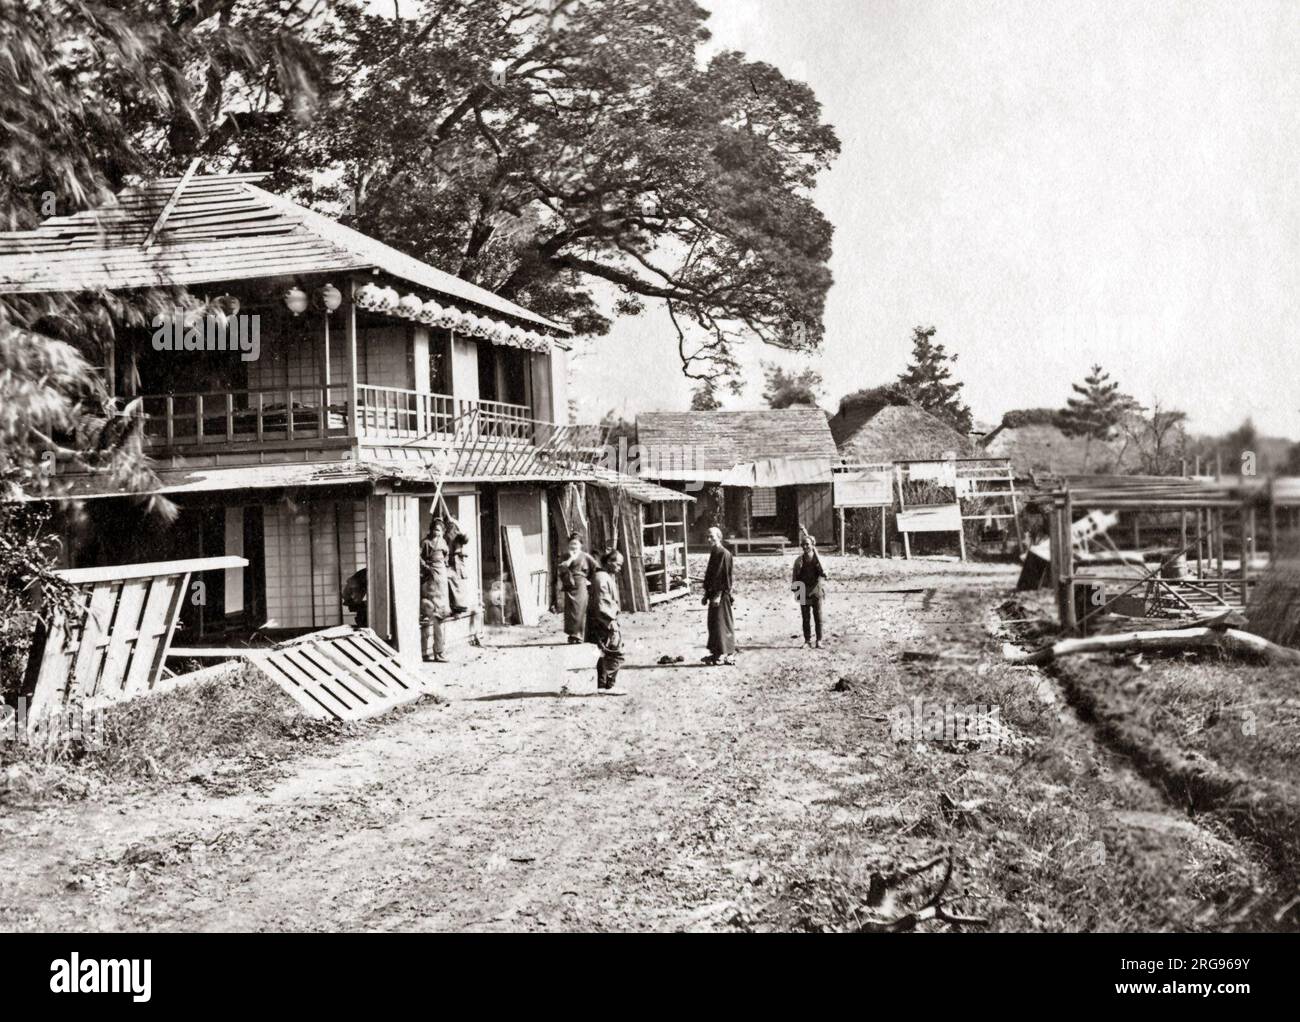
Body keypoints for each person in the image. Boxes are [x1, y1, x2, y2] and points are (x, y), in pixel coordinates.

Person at [590, 549, 625, 690]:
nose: (619, 568)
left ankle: (603, 685)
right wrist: (610, 621)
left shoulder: (604, 576)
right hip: (605, 620)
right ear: (609, 562)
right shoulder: (601, 578)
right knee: (614, 652)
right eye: (618, 564)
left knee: (606, 652)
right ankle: (608, 686)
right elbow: (602, 603)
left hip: (606, 619)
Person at [702, 526, 736, 665]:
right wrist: (706, 594)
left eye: (712, 536)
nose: (709, 539)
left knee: (722, 623)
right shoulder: (714, 552)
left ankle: (725, 653)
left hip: (721, 594)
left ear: (719, 537)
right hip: (713, 594)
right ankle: (716, 652)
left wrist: (719, 594)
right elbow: (710, 576)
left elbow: (725, 577)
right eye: (708, 537)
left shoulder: (724, 554)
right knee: (713, 624)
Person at [557, 532, 599, 643]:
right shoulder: (565, 556)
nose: (573, 546)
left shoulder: (586, 556)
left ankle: (579, 635)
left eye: (576, 544)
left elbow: (596, 568)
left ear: (581, 545)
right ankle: (572, 635)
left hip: (581, 585)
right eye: (571, 544)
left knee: (579, 610)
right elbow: (561, 567)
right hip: (569, 585)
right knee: (570, 612)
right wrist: (571, 558)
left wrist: (589, 580)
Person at [419, 518, 451, 663]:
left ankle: (440, 650)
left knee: (442, 614)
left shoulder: (443, 542)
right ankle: (438, 651)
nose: (436, 533)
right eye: (435, 530)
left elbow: (446, 556)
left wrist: (444, 565)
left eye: (439, 530)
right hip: (431, 580)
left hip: (442, 578)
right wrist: (427, 568)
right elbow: (418, 557)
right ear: (431, 529)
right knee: (436, 613)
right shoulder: (426, 542)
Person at [792, 533, 828, 649]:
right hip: (803, 590)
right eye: (803, 545)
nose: (805, 547)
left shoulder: (819, 560)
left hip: (816, 589)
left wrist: (824, 572)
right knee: (805, 617)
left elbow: (824, 573)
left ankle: (819, 640)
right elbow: (795, 578)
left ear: (813, 545)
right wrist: (797, 593)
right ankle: (807, 640)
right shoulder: (799, 561)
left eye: (807, 544)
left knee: (818, 616)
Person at [445, 519, 470, 615]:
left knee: (459, 583)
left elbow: (465, 538)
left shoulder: (458, 536)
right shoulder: (446, 535)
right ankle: (454, 605)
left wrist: (457, 523)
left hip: (458, 561)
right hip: (450, 561)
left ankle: (460, 605)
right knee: (451, 582)